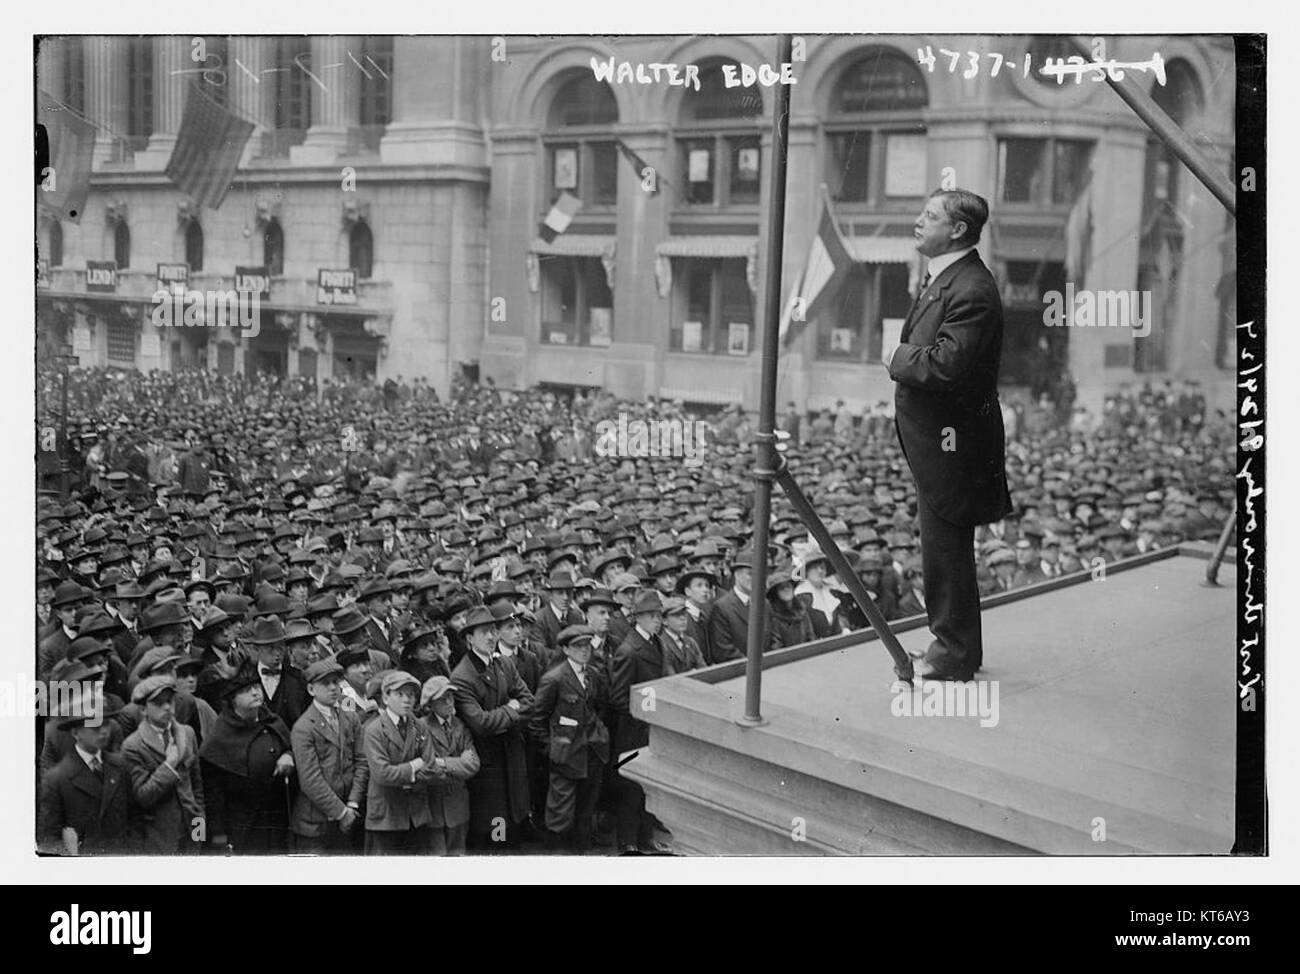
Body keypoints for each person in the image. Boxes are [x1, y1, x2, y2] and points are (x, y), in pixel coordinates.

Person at [885, 188, 1013, 681]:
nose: (918, 221)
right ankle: (953, 646)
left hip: (953, 443)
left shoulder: (971, 288)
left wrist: (895, 359)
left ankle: (953, 653)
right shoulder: (950, 277)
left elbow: (946, 365)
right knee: (943, 545)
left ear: (957, 230)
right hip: (942, 440)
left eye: (930, 215)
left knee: (946, 547)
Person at [450, 606, 534, 851]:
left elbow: (529, 701)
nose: (490, 637)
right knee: (493, 829)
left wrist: (510, 710)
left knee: (512, 823)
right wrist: (511, 708)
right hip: (488, 765)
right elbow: (481, 724)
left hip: (511, 757)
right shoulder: (463, 676)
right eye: (484, 632)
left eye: (493, 631)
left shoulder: (504, 664)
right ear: (469, 638)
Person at [199, 663, 296, 854]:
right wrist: (220, 842)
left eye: (257, 687)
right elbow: (214, 802)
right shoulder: (220, 738)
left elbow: (291, 744)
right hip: (243, 828)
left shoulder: (273, 721)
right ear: (233, 700)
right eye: (246, 690)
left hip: (278, 820)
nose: (255, 693)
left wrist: (288, 754)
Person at [530, 625, 610, 852]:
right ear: (566, 649)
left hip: (592, 752)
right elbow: (537, 721)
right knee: (560, 814)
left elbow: (599, 707)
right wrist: (553, 748)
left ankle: (580, 856)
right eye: (578, 646)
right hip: (565, 756)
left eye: (587, 645)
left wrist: (598, 734)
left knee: (585, 812)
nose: (584, 650)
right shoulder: (554, 679)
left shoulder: (593, 674)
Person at [290, 658, 368, 854]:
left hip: (350, 815)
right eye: (326, 683)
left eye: (336, 682)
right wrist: (341, 813)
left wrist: (352, 802)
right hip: (315, 825)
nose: (333, 688)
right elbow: (310, 780)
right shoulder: (303, 728)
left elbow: (361, 761)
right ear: (311, 690)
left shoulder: (350, 717)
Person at [120, 675, 205, 853]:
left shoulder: (187, 734)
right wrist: (169, 765)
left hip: (191, 834)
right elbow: (142, 796)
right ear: (143, 709)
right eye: (158, 703)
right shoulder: (133, 746)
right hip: (157, 840)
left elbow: (197, 788)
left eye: (170, 701)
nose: (167, 707)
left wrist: (199, 832)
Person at [38, 702, 134, 855]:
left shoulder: (119, 766)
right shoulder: (57, 779)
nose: (103, 732)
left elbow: (134, 816)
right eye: (95, 726)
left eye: (106, 724)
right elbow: (48, 838)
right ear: (76, 733)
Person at [361, 669, 435, 854]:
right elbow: (382, 774)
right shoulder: (374, 730)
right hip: (386, 816)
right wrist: (414, 766)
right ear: (386, 698)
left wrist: (405, 774)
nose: (407, 700)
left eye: (411, 695)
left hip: (416, 815)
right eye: (399, 694)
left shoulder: (419, 726)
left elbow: (432, 766)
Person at [417, 675, 480, 856]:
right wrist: (458, 763)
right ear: (430, 705)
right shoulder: (422, 727)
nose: (449, 702)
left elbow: (474, 763)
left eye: (451, 697)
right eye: (442, 699)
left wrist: (442, 762)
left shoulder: (461, 726)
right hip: (433, 809)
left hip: (459, 808)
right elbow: (428, 768)